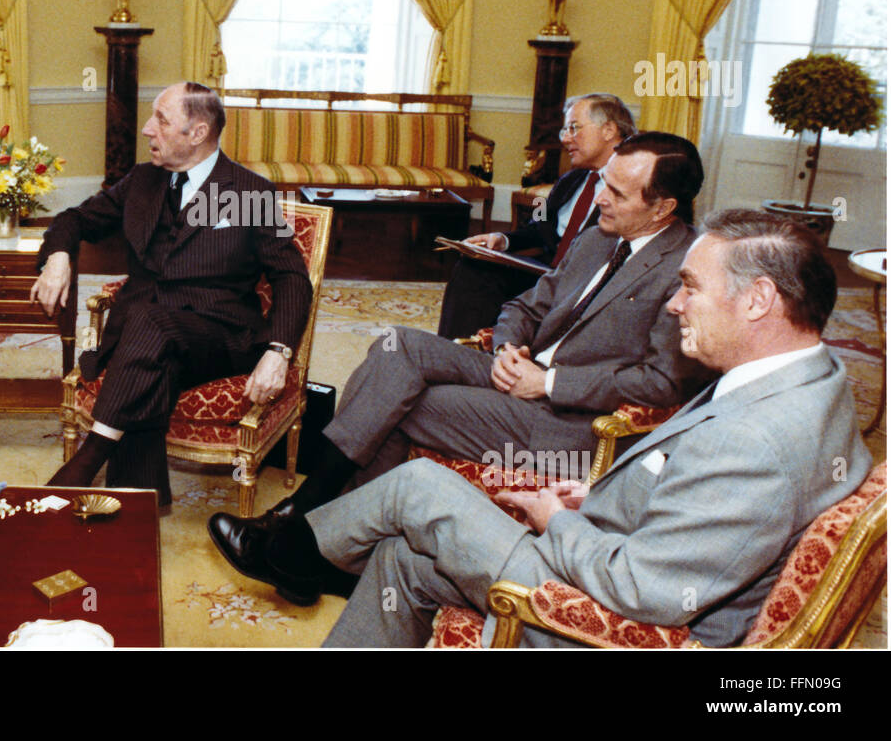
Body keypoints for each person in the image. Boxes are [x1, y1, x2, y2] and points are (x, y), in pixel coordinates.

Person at [220, 209, 872, 646]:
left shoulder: (761, 439)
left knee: (419, 488)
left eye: (691, 288)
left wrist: (552, 517)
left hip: (615, 621)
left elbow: (646, 590)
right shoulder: (813, 375)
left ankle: (290, 550)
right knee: (401, 555)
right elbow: (711, 505)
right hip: (623, 549)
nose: (675, 303)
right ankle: (304, 550)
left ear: (758, 300)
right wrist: (591, 499)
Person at [209, 132, 713, 582]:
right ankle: (315, 529)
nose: (599, 197)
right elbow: (526, 304)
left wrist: (550, 383)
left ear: (663, 208)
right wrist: (508, 348)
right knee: (395, 345)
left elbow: (661, 383)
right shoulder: (599, 239)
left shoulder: (683, 270)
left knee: (403, 403)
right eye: (604, 182)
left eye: (617, 193)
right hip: (517, 371)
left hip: (567, 420)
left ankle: (309, 539)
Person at [31, 81, 313, 505]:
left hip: (218, 337)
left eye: (161, 120)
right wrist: (57, 257)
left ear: (197, 133)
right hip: (143, 340)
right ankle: (136, 507)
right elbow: (74, 218)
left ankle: (87, 462)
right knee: (150, 355)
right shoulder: (142, 181)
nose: (147, 129)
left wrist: (279, 350)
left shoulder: (250, 192)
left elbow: (292, 276)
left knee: (148, 327)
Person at [437, 93, 635, 338]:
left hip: (583, 289)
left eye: (574, 128)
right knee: (474, 267)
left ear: (608, 130)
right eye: (564, 130)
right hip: (545, 274)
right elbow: (538, 225)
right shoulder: (569, 181)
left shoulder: (633, 188)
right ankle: (455, 353)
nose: (565, 139)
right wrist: (503, 239)